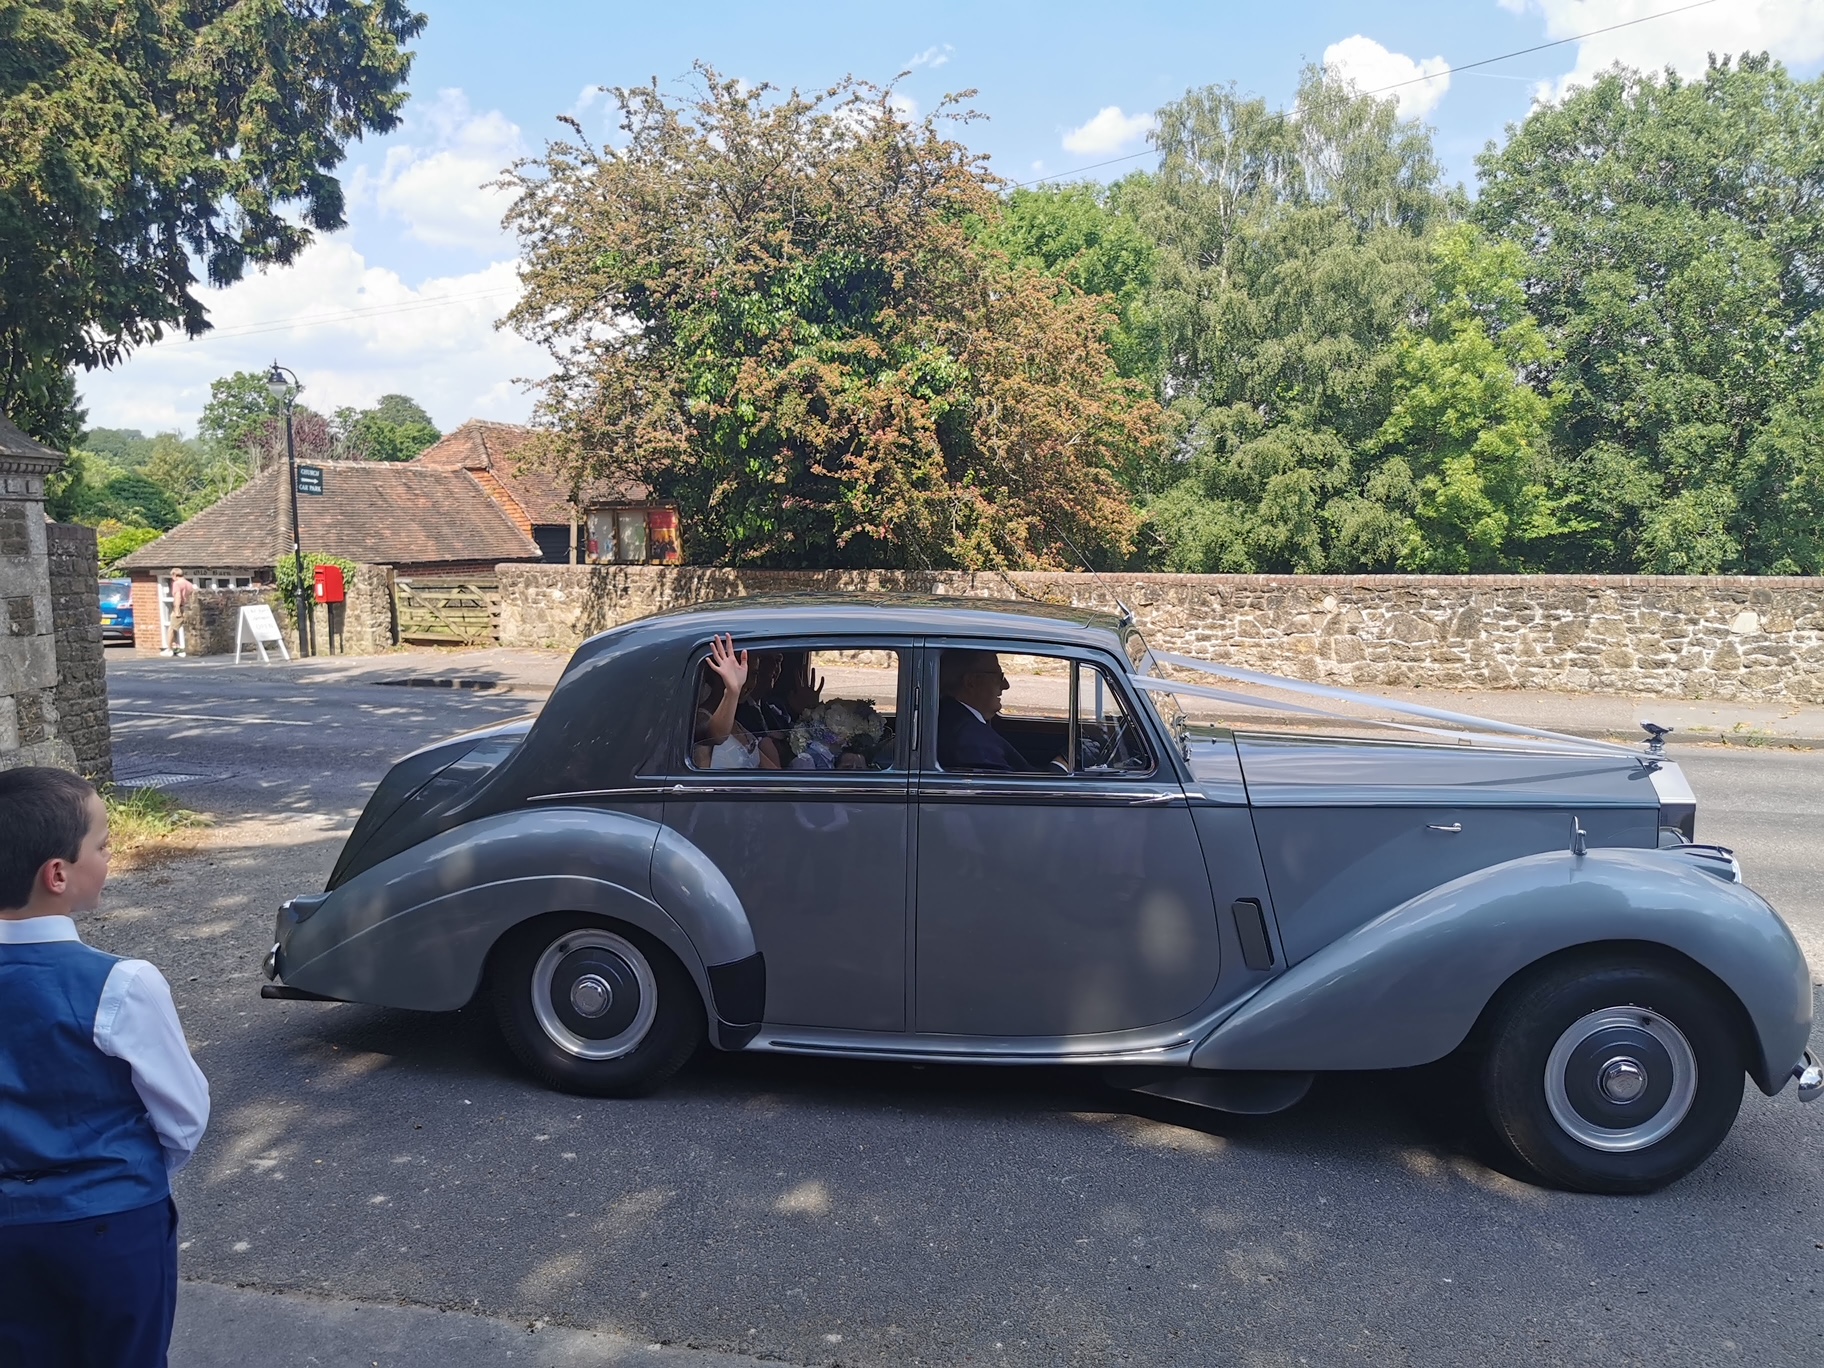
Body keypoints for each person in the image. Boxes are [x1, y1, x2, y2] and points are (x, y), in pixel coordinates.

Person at [0, 767, 210, 1368]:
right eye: (103, 845)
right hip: (111, 1224)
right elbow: (183, 1118)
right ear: (58, 874)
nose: (111, 856)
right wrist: (124, 1176)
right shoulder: (123, 984)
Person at [692, 634, 781, 770]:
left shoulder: (737, 725)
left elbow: (773, 773)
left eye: (754, 674)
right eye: (738, 673)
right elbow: (717, 737)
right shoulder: (700, 718)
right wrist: (732, 690)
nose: (747, 683)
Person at [936, 649, 1033, 772]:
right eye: (999, 677)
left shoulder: (955, 718)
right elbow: (1013, 788)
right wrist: (1061, 764)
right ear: (971, 682)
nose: (1006, 685)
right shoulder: (972, 740)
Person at [163, 568, 196, 657]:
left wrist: (177, 610)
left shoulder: (177, 584)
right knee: (189, 629)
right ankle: (187, 648)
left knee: (172, 629)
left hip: (180, 607)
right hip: (189, 608)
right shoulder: (189, 584)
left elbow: (178, 597)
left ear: (174, 575)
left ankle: (169, 649)